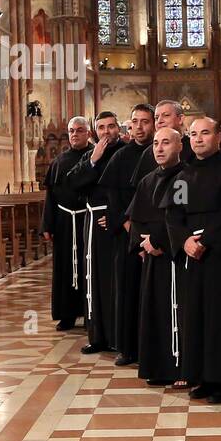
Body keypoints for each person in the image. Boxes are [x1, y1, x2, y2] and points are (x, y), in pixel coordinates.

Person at [162, 117, 221, 404]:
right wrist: (185, 241)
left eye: (204, 133)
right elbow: (173, 216)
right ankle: (202, 375)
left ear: (218, 137)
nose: (198, 139)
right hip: (195, 258)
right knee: (197, 316)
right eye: (193, 134)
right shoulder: (183, 176)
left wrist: (206, 241)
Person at [98, 104, 156, 366]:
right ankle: (127, 347)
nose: (140, 127)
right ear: (129, 125)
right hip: (128, 234)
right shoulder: (120, 157)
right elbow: (112, 198)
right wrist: (128, 227)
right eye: (135, 121)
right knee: (127, 290)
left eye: (145, 121)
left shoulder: (161, 150)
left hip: (158, 236)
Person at [128, 126, 185, 386]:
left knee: (181, 311)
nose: (159, 149)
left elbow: (181, 217)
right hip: (153, 258)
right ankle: (159, 367)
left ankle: (182, 367)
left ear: (179, 146)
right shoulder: (147, 181)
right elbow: (136, 218)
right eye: (156, 144)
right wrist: (144, 245)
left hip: (178, 257)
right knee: (156, 312)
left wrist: (160, 241)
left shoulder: (186, 178)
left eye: (166, 143)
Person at [67, 111, 124, 353]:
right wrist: (93, 161)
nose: (106, 132)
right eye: (101, 128)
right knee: (95, 280)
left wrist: (115, 216)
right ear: (95, 131)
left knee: (116, 280)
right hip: (93, 223)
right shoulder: (92, 154)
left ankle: (118, 337)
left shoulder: (127, 153)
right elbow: (71, 182)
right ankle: (97, 336)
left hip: (117, 225)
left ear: (118, 129)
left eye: (110, 127)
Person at [39, 116, 93, 331]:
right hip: (64, 221)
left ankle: (91, 313)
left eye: (79, 130)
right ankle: (67, 314)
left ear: (88, 133)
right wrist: (47, 225)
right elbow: (51, 196)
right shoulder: (58, 161)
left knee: (88, 266)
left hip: (87, 220)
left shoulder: (95, 157)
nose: (74, 134)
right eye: (71, 130)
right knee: (64, 268)